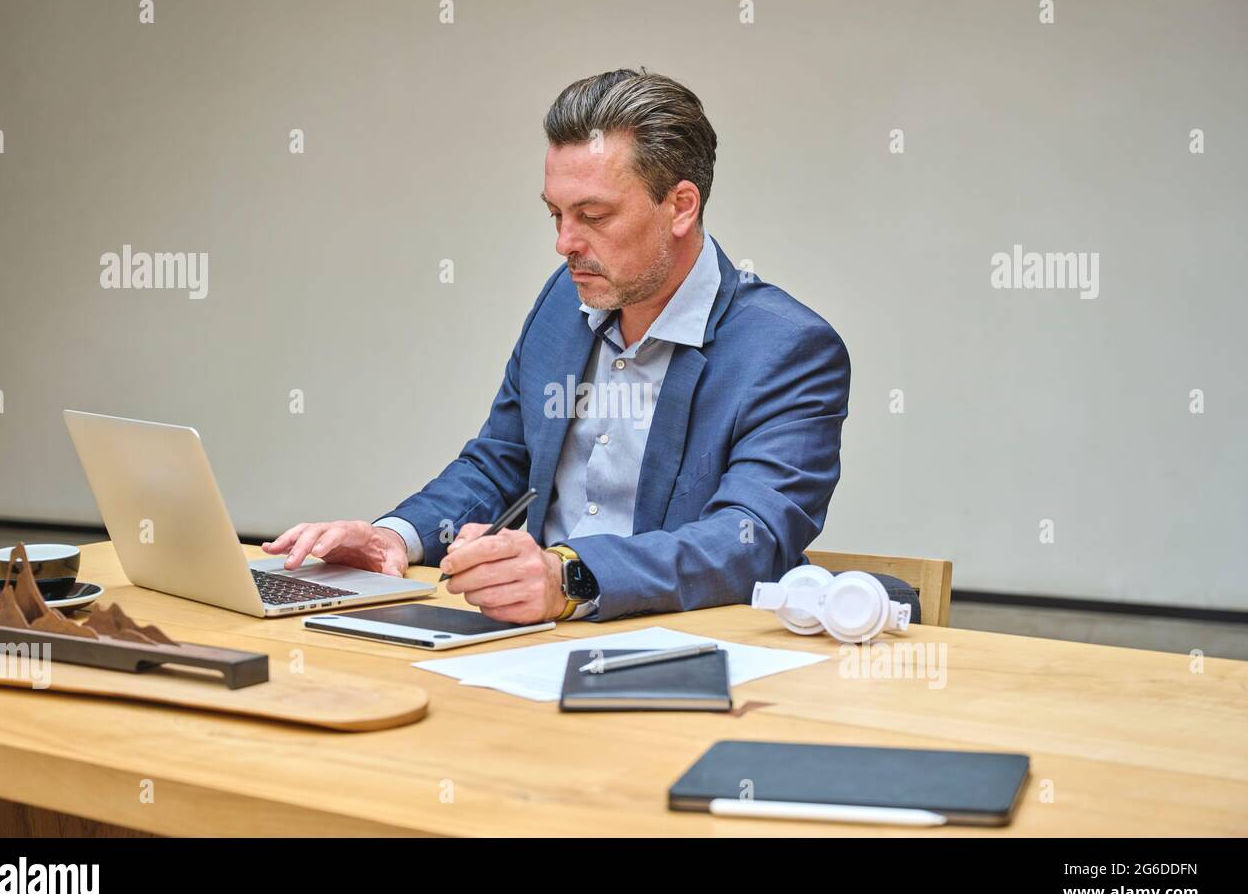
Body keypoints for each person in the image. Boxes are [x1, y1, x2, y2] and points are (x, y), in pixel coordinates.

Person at [264, 68, 850, 624]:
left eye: (593, 216)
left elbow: (751, 537)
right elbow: (501, 463)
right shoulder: (566, 302)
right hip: (534, 638)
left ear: (680, 206)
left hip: (681, 648)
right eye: (555, 214)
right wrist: (393, 536)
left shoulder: (788, 348)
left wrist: (566, 577)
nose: (565, 244)